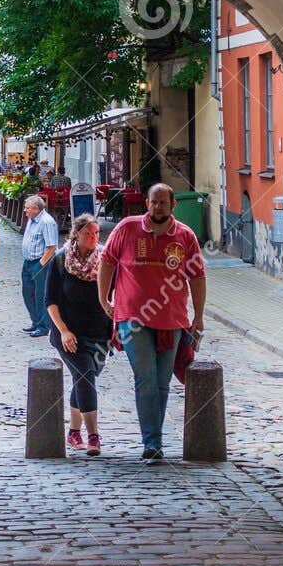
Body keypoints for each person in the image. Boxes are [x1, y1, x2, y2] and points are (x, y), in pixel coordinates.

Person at [98, 184, 206, 463]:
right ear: (147, 203)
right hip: (132, 318)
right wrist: (103, 298)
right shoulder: (127, 228)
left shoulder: (185, 236)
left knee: (162, 382)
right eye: (154, 202)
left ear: (173, 204)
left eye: (163, 202)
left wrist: (199, 316)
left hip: (172, 319)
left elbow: (197, 276)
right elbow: (107, 261)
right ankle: (153, 443)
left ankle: (154, 440)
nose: (158, 207)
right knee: (145, 377)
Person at [46, 213, 110, 455]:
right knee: (85, 376)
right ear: (76, 234)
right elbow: (50, 301)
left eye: (96, 234)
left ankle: (73, 432)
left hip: (100, 333)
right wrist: (63, 331)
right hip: (69, 335)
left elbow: (116, 292)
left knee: (84, 379)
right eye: (88, 234)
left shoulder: (105, 259)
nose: (93, 238)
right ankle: (93, 436)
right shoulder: (62, 261)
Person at [19, 194, 59, 337]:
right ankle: (35, 321)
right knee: (27, 292)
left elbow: (52, 246)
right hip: (28, 261)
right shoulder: (32, 219)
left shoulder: (46, 222)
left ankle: (43, 326)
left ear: (36, 209)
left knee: (41, 294)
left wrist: (41, 264)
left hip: (41, 262)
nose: (25, 210)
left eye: (27, 208)